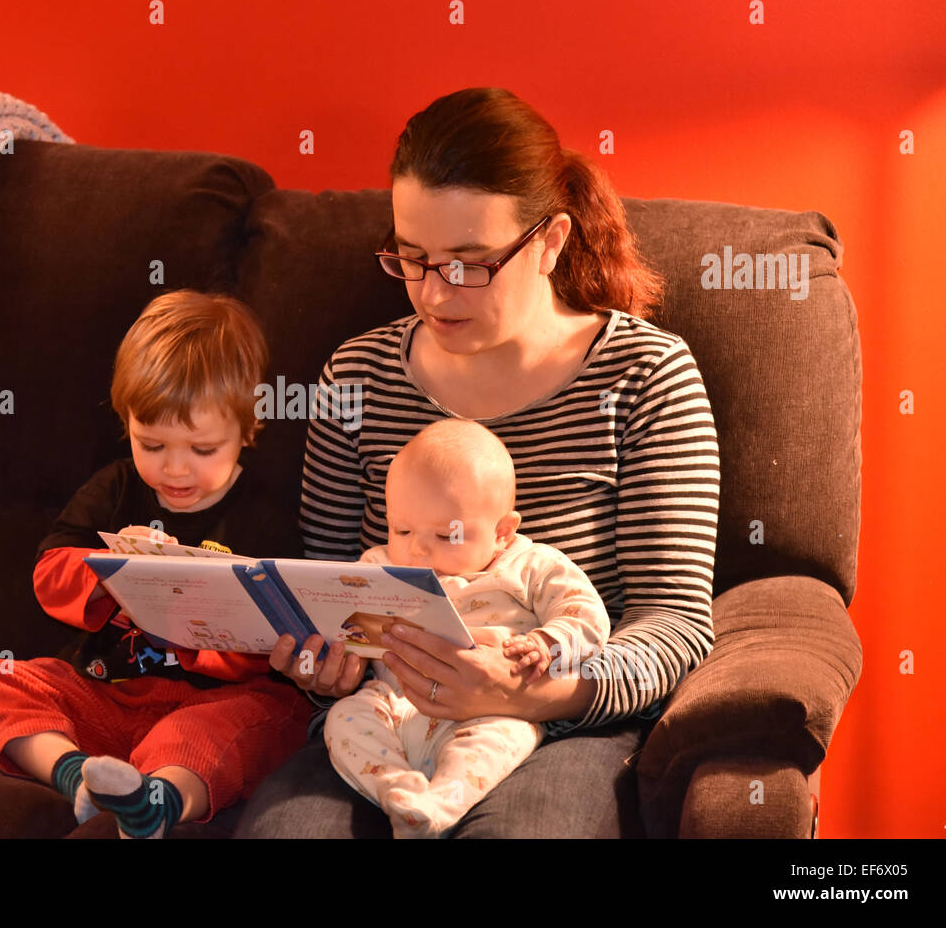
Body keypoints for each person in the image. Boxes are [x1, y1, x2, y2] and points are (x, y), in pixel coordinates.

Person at [236, 87, 721, 838]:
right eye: (414, 258)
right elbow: (330, 580)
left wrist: (535, 692)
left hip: (562, 727)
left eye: (469, 263)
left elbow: (676, 622)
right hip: (385, 715)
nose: (434, 292)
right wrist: (322, 660)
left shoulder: (646, 375)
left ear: (551, 241)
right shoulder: (354, 379)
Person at [0, 290, 312, 838]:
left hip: (213, 703)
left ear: (246, 431)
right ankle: (77, 777)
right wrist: (111, 574)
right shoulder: (116, 487)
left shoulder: (263, 517)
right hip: (109, 694)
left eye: (202, 450)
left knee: (262, 723)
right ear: (126, 422)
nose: (175, 470)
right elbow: (48, 573)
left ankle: (156, 803)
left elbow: (276, 637)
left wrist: (191, 617)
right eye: (151, 444)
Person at [324, 418, 609, 838]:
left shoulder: (531, 566)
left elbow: (587, 614)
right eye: (401, 528)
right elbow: (338, 621)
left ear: (502, 532)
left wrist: (547, 641)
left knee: (499, 741)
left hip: (491, 710)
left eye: (445, 533)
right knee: (345, 717)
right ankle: (398, 789)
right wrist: (331, 651)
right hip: (394, 704)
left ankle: (438, 806)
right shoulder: (378, 566)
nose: (416, 548)